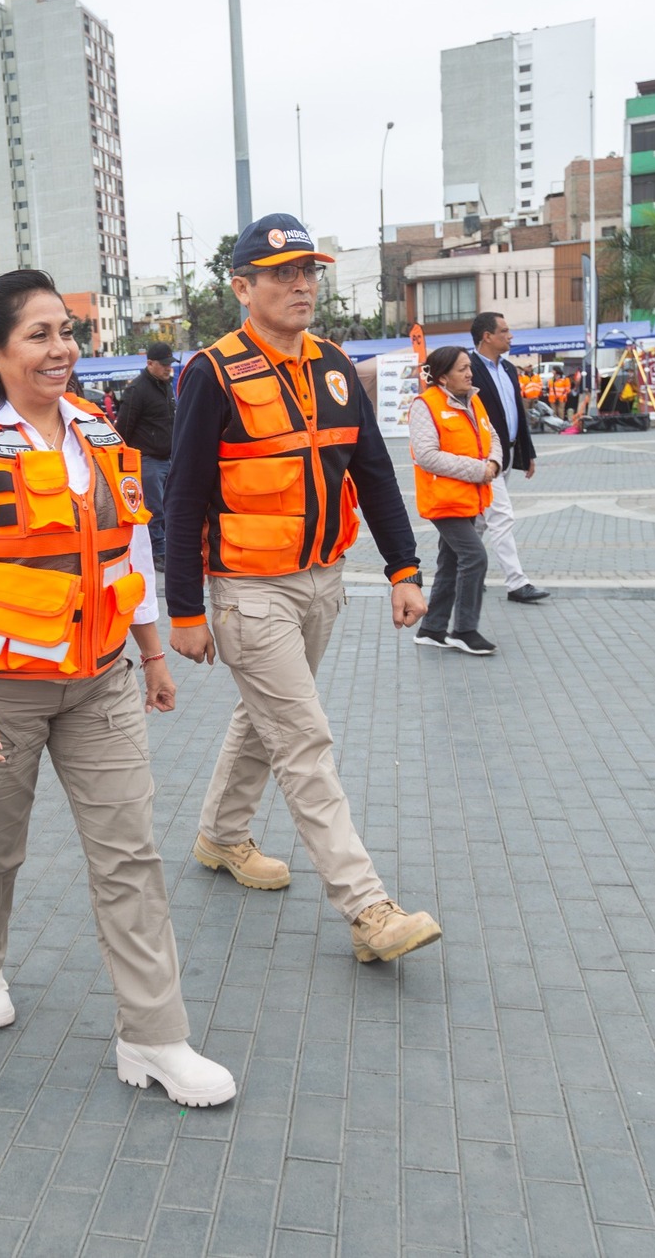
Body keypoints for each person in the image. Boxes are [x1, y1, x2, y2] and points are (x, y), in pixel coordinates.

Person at [0, 268, 234, 1108]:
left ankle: (153, 1037)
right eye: (39, 335)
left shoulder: (96, 429)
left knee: (130, 853)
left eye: (67, 332)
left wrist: (153, 652)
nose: (62, 350)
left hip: (101, 680)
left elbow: (129, 550)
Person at [164, 213, 441, 965]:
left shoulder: (334, 365)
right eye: (281, 273)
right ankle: (367, 908)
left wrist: (404, 567)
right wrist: (184, 608)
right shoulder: (212, 372)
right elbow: (184, 494)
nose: (300, 285)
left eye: (308, 271)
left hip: (321, 582)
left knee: (267, 720)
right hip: (249, 592)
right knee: (305, 740)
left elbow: (373, 472)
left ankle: (221, 837)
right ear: (242, 287)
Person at [409, 347, 504, 655]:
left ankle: (432, 628)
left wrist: (495, 464)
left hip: (470, 498)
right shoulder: (426, 405)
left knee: (450, 562)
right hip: (444, 500)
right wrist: (480, 470)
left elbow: (493, 437)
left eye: (469, 367)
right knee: (475, 557)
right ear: (443, 377)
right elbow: (427, 456)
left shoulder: (473, 400)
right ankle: (463, 630)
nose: (469, 373)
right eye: (462, 368)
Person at [465, 314, 550, 604]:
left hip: (508, 451)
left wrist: (528, 454)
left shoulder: (510, 370)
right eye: (504, 331)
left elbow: (517, 414)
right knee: (501, 516)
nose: (510, 336)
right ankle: (517, 583)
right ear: (487, 336)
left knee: (478, 520)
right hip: (485, 457)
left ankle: (463, 575)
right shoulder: (469, 369)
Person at [115, 341, 176, 564]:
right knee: (154, 508)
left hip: (169, 457)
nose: (168, 368)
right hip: (148, 459)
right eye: (164, 364)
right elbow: (124, 427)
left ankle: (167, 548)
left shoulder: (166, 386)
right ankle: (158, 552)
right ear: (150, 363)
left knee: (170, 507)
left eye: (170, 364)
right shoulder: (137, 389)